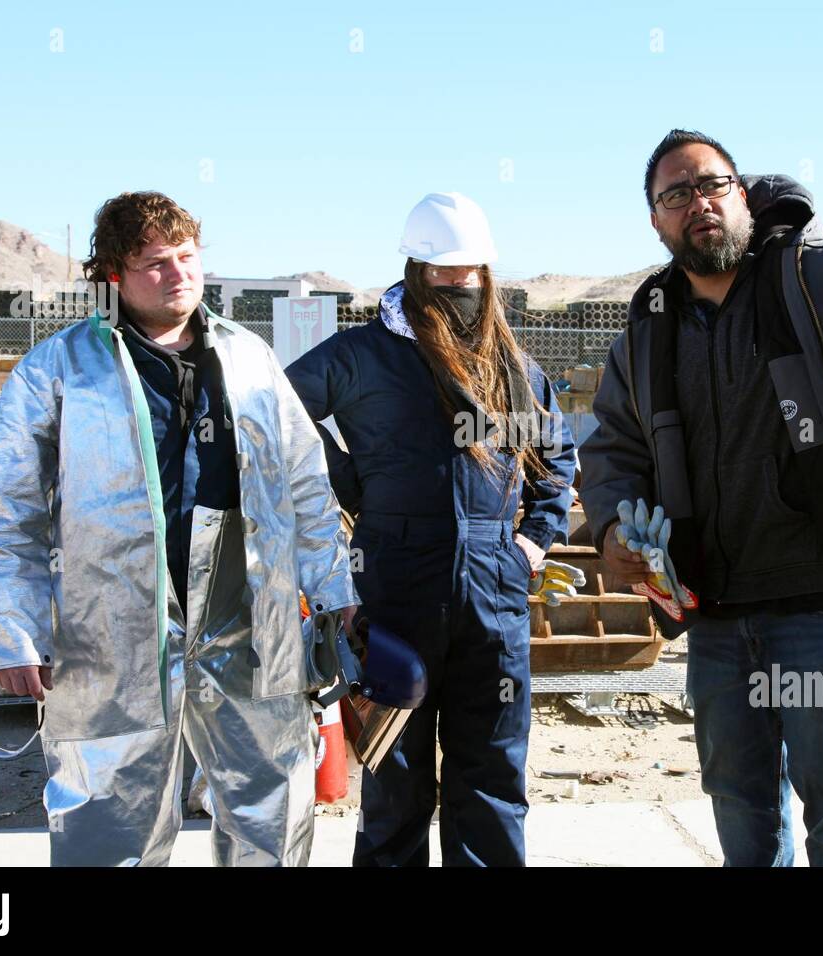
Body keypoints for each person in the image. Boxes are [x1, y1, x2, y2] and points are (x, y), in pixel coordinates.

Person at [579, 130, 823, 866]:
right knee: (742, 815)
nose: (698, 202)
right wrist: (611, 528)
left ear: (742, 193)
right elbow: (615, 449)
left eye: (712, 184)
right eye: (676, 195)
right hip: (719, 616)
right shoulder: (648, 327)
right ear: (656, 221)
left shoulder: (819, 271)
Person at [0, 191, 358, 866]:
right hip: (112, 625)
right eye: (156, 262)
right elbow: (7, 510)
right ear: (114, 275)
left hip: (248, 616)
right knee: (109, 815)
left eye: (187, 256)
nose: (179, 273)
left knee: (272, 802)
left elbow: (305, 485)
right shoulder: (62, 369)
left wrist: (333, 591)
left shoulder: (248, 359)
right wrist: (10, 633)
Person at [287, 192, 577, 866]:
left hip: (492, 596)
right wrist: (349, 481)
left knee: (493, 779)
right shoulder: (360, 356)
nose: (458, 286)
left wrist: (532, 543)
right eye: (443, 273)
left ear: (486, 274)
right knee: (396, 783)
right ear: (417, 272)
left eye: (469, 272)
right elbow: (278, 416)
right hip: (394, 591)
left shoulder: (512, 366)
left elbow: (557, 460)